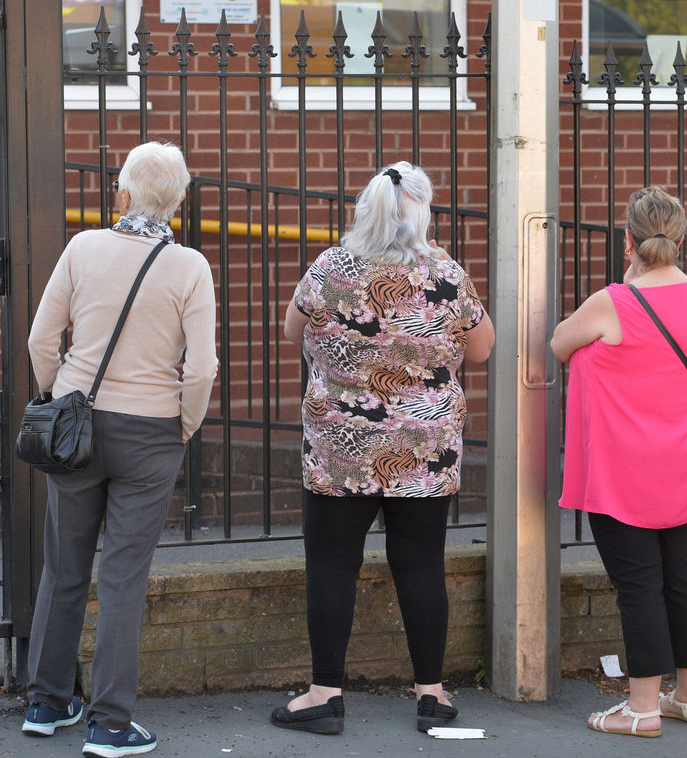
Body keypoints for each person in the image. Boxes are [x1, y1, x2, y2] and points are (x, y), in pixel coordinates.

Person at [270, 160, 494, 736]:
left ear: (365, 210)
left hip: (340, 446)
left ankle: (324, 694)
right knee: (421, 563)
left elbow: (291, 331)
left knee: (330, 564)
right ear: (422, 212)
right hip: (425, 448)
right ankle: (432, 695)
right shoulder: (445, 274)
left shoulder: (329, 268)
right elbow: (483, 349)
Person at [22, 141, 218, 756]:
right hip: (151, 433)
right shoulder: (190, 268)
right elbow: (202, 369)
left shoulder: (83, 249)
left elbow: (40, 338)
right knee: (124, 575)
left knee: (64, 566)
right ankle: (110, 724)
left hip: (76, 426)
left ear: (123, 193)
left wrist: (59, 394)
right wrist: (183, 427)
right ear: (179, 203)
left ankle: (47, 702)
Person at [551, 186, 687, 738]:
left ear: (628, 240)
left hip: (624, 471)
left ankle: (642, 708)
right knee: (684, 578)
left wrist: (626, 283)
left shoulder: (613, 302)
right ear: (680, 239)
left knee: (639, 586)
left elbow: (558, 343)